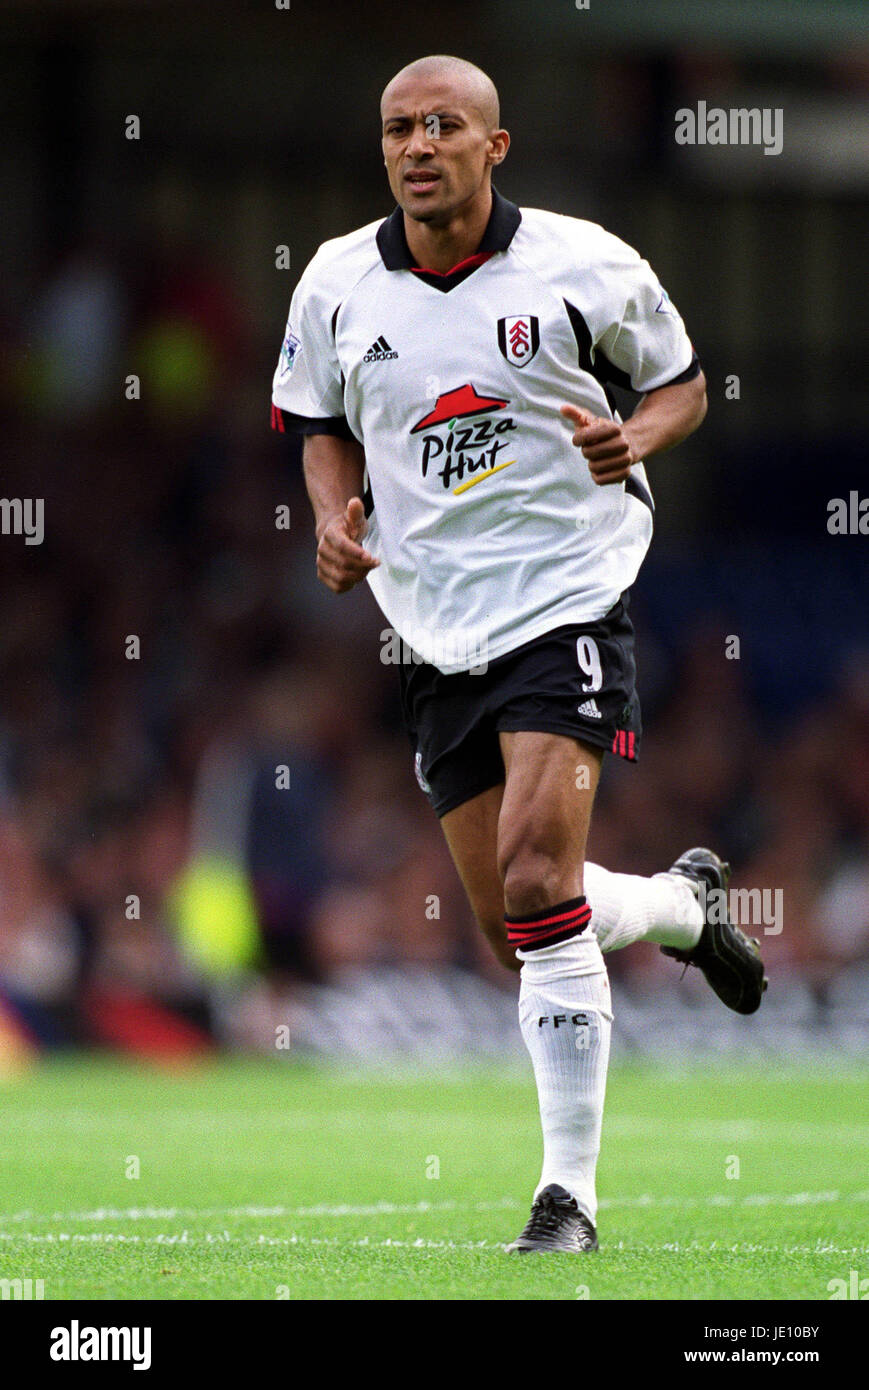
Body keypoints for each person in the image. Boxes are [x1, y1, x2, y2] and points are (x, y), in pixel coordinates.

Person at [271, 54, 767, 1255]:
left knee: (540, 884)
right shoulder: (335, 282)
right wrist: (334, 519)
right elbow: (320, 426)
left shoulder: (584, 266)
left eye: (444, 125)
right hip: (433, 624)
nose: (417, 145)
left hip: (566, 594)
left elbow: (683, 387)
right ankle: (674, 905)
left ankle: (567, 1200)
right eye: (398, 127)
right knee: (510, 928)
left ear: (496, 148)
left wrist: (629, 434)